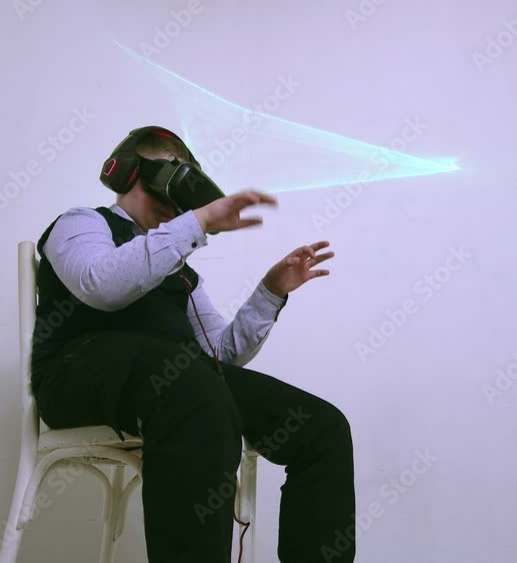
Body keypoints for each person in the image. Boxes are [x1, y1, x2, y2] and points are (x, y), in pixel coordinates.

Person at [29, 127, 356, 563]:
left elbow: (220, 354)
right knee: (192, 384)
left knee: (321, 428)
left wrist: (270, 292)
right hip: (78, 376)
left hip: (175, 382)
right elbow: (100, 284)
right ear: (131, 172)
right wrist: (196, 223)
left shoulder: (178, 267)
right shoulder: (82, 222)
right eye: (172, 169)